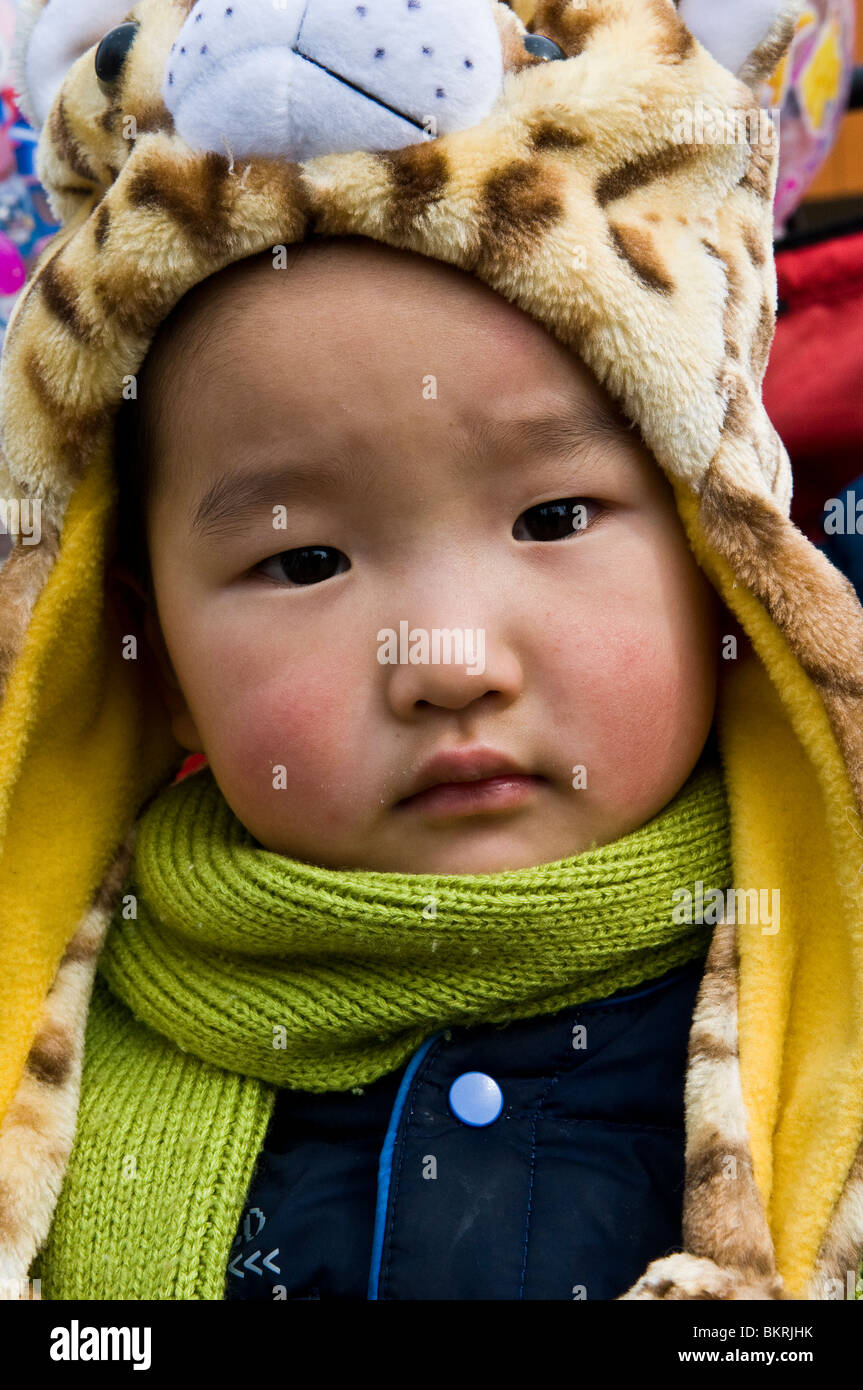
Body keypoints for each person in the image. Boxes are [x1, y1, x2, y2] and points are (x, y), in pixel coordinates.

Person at [1, 0, 862, 1302]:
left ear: (721, 560)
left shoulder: (831, 1045)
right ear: (151, 650)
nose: (449, 659)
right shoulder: (39, 1074)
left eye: (555, 516)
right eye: (303, 561)